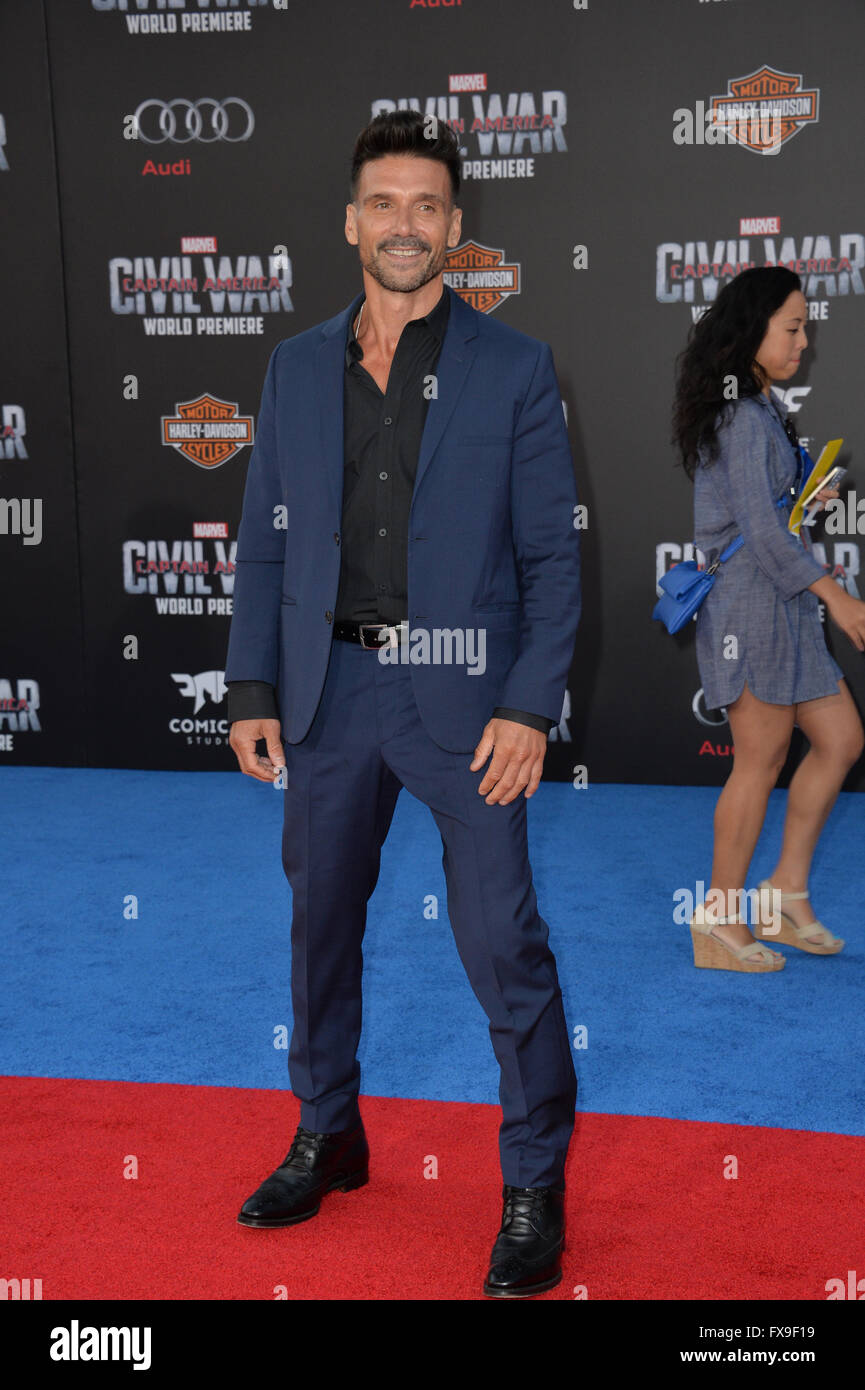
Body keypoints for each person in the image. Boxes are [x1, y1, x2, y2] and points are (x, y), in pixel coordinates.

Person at [224, 110, 581, 1298]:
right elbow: (265, 547)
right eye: (384, 203)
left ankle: (531, 1182)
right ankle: (328, 1133)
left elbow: (551, 558)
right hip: (328, 695)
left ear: (455, 228)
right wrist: (255, 684)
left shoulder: (517, 367)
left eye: (427, 206)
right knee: (319, 928)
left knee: (501, 944)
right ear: (350, 222)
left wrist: (529, 707)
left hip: (466, 699)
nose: (404, 225)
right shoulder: (289, 366)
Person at [672, 266, 865, 973]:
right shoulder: (738, 416)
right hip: (749, 608)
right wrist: (837, 597)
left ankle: (782, 893)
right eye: (791, 327)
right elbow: (756, 530)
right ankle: (719, 917)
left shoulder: (757, 410)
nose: (803, 341)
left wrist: (800, 502)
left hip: (782, 604)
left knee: (840, 739)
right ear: (750, 330)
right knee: (760, 760)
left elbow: (765, 516)